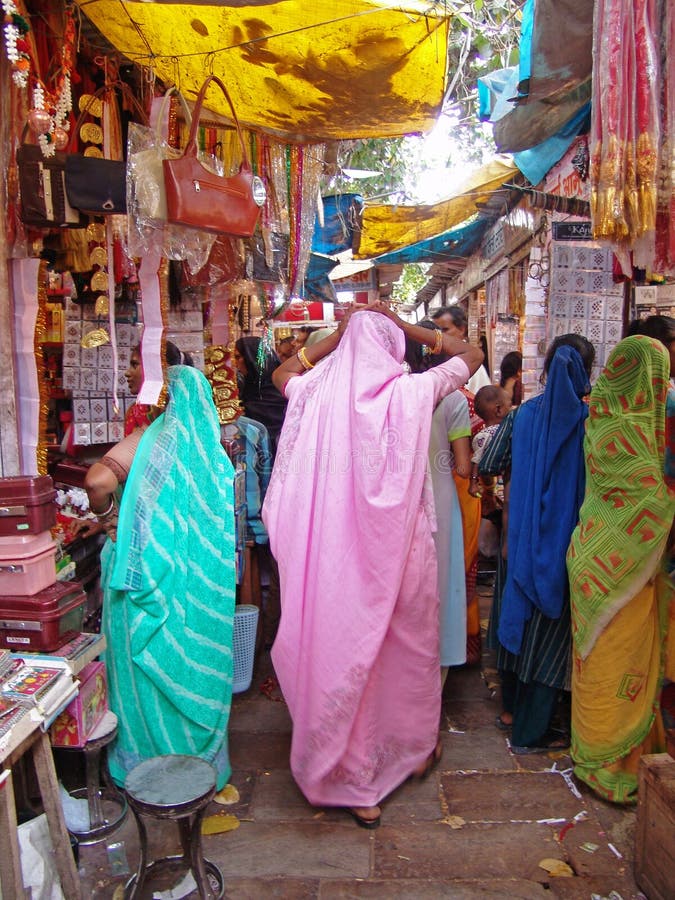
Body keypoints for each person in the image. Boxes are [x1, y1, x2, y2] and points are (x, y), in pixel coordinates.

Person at [263, 302, 483, 828]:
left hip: (329, 567)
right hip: (398, 558)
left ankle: (356, 780)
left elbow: (282, 371)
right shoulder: (412, 392)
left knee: (344, 655)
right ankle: (404, 753)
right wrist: (405, 327)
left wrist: (338, 337)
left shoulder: (313, 393)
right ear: (392, 348)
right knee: (394, 656)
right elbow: (471, 355)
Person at [83, 365, 236, 789]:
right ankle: (198, 765)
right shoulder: (211, 454)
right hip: (196, 585)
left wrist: (110, 517)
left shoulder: (149, 439)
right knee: (193, 658)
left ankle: (146, 764)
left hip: (143, 578)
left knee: (141, 671)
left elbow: (97, 480)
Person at [567, 335, 675, 803]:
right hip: (627, 569)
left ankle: (589, 754)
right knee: (624, 664)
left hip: (590, 556)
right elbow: (651, 501)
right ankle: (615, 769)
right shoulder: (650, 435)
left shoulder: (599, 419)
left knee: (594, 664)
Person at [481, 334, 595, 749]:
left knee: (516, 621)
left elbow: (490, 462)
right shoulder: (591, 422)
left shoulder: (521, 415)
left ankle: (511, 711)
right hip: (565, 547)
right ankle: (532, 731)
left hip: (518, 541)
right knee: (550, 636)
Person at [124, 340, 193, 435]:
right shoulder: (136, 412)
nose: (127, 373)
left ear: (159, 368)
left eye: (135, 365)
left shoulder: (138, 412)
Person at [233, 337, 288, 455]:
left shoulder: (279, 393)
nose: (235, 364)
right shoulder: (250, 390)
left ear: (251, 358)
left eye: (238, 357)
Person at [431, 305, 491, 395]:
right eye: (436, 331)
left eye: (445, 330)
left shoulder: (472, 365)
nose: (440, 335)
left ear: (462, 329)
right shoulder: (433, 359)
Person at [468, 386, 510, 498]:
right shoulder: (485, 436)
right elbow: (477, 460)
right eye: (509, 406)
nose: (511, 410)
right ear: (498, 410)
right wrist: (473, 482)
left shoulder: (484, 435)